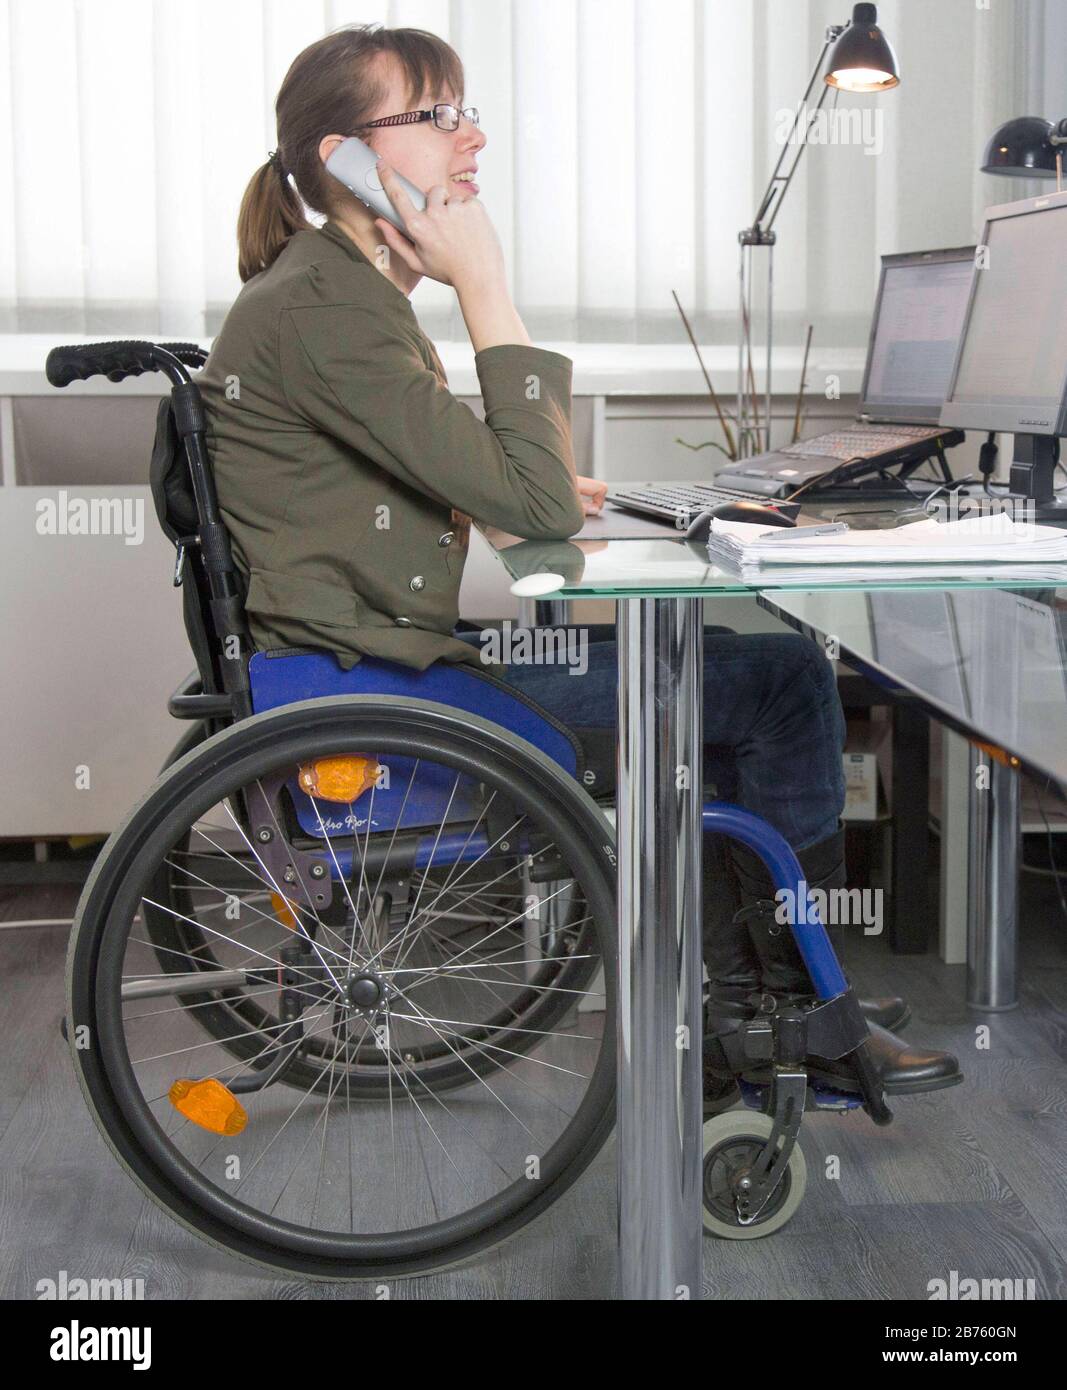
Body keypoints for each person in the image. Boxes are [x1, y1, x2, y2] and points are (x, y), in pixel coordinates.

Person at [199, 23, 960, 1103]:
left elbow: (510, 486)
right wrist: (483, 285)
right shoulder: (330, 311)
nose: (469, 140)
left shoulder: (336, 297)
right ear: (344, 158)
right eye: (432, 115)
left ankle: (772, 988)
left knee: (736, 670)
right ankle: (788, 1006)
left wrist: (533, 483)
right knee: (782, 682)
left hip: (361, 667)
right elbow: (530, 496)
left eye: (465, 111)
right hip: (373, 694)